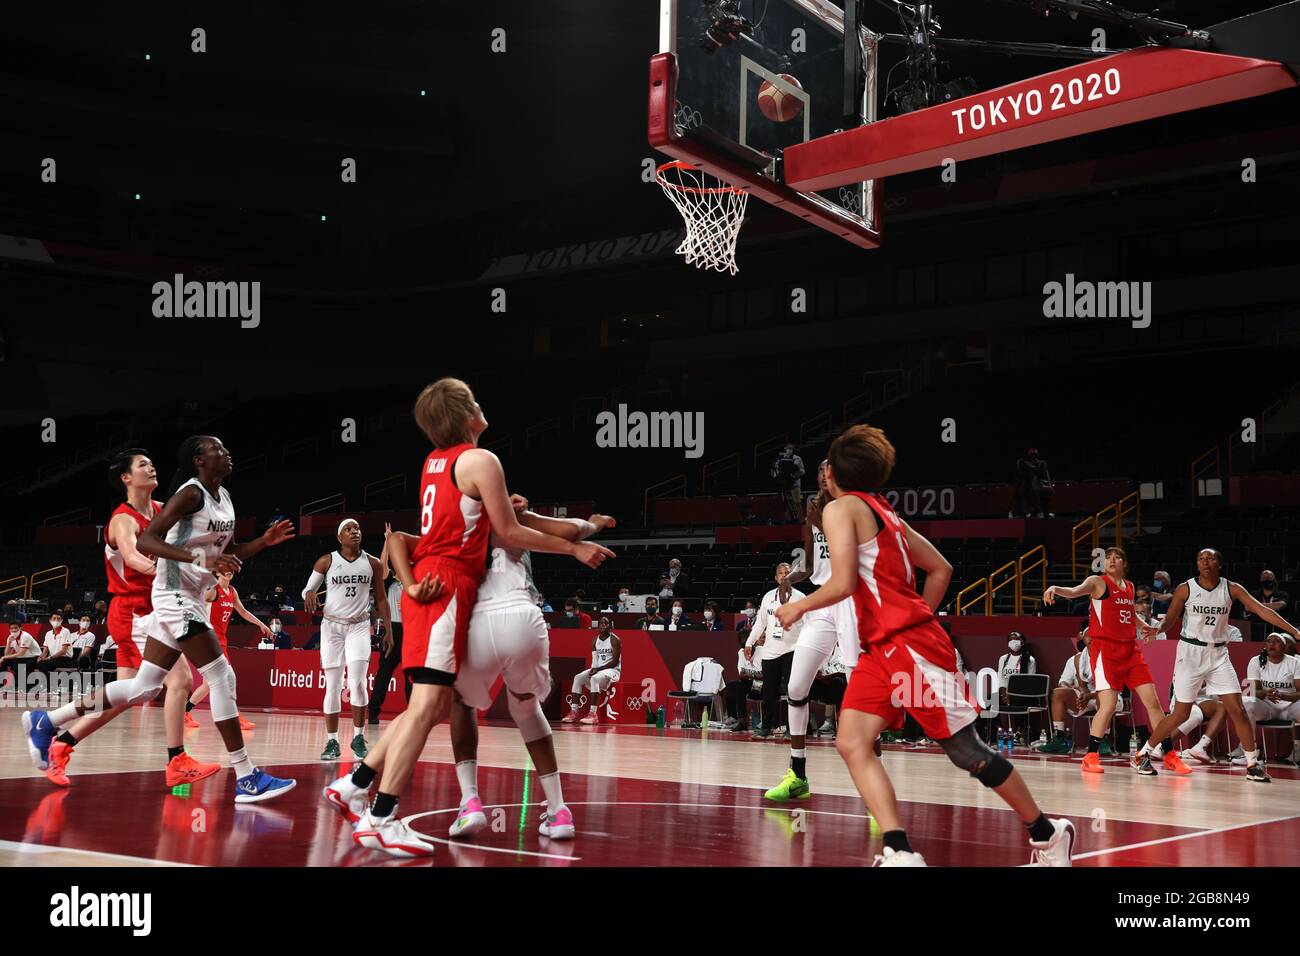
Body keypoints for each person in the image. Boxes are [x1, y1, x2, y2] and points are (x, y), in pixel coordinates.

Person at [320, 378, 613, 858]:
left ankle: (358, 784)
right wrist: (573, 546)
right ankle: (381, 816)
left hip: (438, 585)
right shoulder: (480, 460)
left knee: (432, 708)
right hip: (452, 587)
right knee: (436, 706)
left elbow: (464, 528)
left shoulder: (436, 463)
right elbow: (510, 530)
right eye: (474, 400)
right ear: (463, 414)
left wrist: (410, 584)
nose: (482, 404)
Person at [777, 424, 1075, 866]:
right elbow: (941, 569)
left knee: (966, 752)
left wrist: (797, 609)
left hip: (909, 647)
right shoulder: (886, 513)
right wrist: (915, 619)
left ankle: (1049, 834)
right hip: (885, 649)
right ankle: (899, 850)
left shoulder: (841, 509)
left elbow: (840, 583)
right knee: (852, 742)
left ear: (835, 474)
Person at [24, 436, 298, 803]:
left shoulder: (223, 498)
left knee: (144, 687)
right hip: (170, 597)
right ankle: (245, 775)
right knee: (220, 675)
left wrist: (263, 541)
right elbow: (148, 544)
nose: (227, 452)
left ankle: (48, 722)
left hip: (185, 597)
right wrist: (202, 563)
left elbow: (225, 553)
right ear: (199, 460)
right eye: (218, 448)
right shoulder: (189, 494)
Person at [28, 449, 206, 790]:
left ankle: (59, 741)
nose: (151, 466)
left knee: (128, 697)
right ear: (126, 477)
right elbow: (132, 556)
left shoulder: (160, 510)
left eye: (153, 462)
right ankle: (176, 760)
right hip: (134, 610)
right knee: (180, 679)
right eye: (142, 464)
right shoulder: (122, 519)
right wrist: (169, 574)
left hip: (152, 607)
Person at [1141, 548, 1298, 783]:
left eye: (1210, 558)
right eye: (1201, 559)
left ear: (1220, 564)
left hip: (1218, 654)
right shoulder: (1186, 588)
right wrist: (1158, 629)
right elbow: (1171, 619)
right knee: (1181, 712)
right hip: (1190, 652)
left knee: (1237, 708)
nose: (1205, 561)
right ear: (1197, 564)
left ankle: (1252, 764)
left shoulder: (1231, 588)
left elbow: (1262, 610)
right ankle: (1143, 753)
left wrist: (1294, 631)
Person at [764, 461, 860, 801]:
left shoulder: (854, 507)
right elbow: (810, 564)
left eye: (830, 469)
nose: (823, 474)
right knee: (795, 685)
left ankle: (874, 789)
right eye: (820, 470)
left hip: (849, 601)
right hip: (821, 603)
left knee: (859, 692)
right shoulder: (813, 509)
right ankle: (798, 773)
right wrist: (789, 580)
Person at [1043, 548, 1172, 776]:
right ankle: (1090, 756)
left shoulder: (1130, 587)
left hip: (1130, 649)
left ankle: (1169, 753)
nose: (1111, 560)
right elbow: (1074, 592)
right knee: (1108, 704)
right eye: (1108, 557)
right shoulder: (1097, 582)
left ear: (1125, 563)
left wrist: (1143, 625)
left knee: (1153, 702)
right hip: (1106, 650)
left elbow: (1128, 611)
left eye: (1117, 557)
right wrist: (1056, 589)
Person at [302, 518, 392, 762]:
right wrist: (309, 593)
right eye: (348, 529)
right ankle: (332, 741)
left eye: (357, 529)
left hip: (360, 626)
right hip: (332, 627)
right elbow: (308, 589)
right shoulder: (326, 561)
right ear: (339, 537)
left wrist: (389, 632)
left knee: (359, 683)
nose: (355, 532)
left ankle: (359, 736)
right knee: (332, 685)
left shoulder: (372, 563)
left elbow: (382, 599)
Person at [186, 570, 266, 731]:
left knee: (208, 685)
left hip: (221, 641)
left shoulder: (232, 591)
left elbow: (243, 612)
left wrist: (261, 624)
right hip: (208, 641)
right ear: (217, 572)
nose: (228, 571)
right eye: (224, 569)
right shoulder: (213, 590)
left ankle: (184, 712)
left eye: (230, 569)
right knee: (229, 677)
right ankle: (235, 716)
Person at [746, 562, 804, 740]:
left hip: (792, 649)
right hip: (770, 651)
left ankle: (791, 729)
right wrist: (750, 643)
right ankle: (766, 727)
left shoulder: (800, 597)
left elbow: (808, 626)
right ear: (776, 577)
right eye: (781, 573)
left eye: (788, 572)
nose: (784, 575)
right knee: (768, 692)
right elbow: (760, 624)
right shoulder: (768, 597)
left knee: (792, 691)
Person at [370, 527, 412, 725]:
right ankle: (372, 713)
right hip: (393, 631)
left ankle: (413, 715)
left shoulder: (416, 578)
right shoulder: (390, 581)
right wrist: (387, 541)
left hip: (413, 631)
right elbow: (382, 568)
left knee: (411, 676)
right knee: (384, 674)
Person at [1036, 625, 1099, 754]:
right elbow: (1065, 681)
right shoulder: (1077, 658)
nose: (1091, 639)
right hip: (1084, 697)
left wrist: (1089, 695)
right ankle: (1058, 738)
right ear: (1083, 638)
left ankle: (1103, 741)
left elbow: (1109, 688)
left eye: (1094, 636)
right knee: (1058, 693)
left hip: (1104, 696)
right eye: (1088, 636)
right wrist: (1076, 692)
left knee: (1105, 698)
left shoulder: (1107, 657)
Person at [1243, 632, 1300, 761]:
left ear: (1285, 648)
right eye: (1269, 641)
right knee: (1246, 702)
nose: (1272, 643)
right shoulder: (1255, 661)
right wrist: (1265, 693)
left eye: (1277, 641)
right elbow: (1251, 691)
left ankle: (1298, 751)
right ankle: (1251, 750)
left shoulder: (1295, 662)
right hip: (1267, 707)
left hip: (1289, 707)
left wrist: (1283, 696)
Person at [563, 616, 622, 725]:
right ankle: (574, 712)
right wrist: (592, 669)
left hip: (613, 671)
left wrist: (597, 670)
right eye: (601, 623)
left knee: (595, 678)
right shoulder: (595, 640)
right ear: (597, 627)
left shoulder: (615, 640)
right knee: (578, 677)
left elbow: (614, 662)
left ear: (610, 626)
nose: (603, 625)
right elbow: (595, 660)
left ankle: (593, 714)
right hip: (600, 670)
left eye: (606, 623)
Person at [722, 632, 762, 731]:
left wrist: (749, 674)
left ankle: (764, 721)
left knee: (742, 685)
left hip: (762, 685)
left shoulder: (762, 651)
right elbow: (741, 674)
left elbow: (763, 675)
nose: (746, 650)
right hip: (750, 683)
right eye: (743, 646)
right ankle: (740, 720)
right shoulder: (741, 652)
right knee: (732, 686)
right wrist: (753, 674)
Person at [1010, 447, 1052, 518]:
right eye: (1031, 454)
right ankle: (1020, 513)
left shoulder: (1041, 463)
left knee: (1034, 492)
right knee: (1020, 492)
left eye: (1034, 454)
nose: (1033, 456)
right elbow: (1020, 474)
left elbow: (1043, 475)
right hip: (1027, 485)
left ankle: (1038, 512)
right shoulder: (1023, 463)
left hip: (1038, 486)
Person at [772, 442, 806, 523]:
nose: (788, 450)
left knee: (797, 502)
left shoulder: (797, 458)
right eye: (787, 448)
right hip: (784, 484)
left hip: (795, 484)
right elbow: (776, 470)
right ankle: (788, 520)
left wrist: (794, 475)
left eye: (790, 448)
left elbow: (802, 471)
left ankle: (801, 519)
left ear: (793, 450)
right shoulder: (781, 459)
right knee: (787, 503)